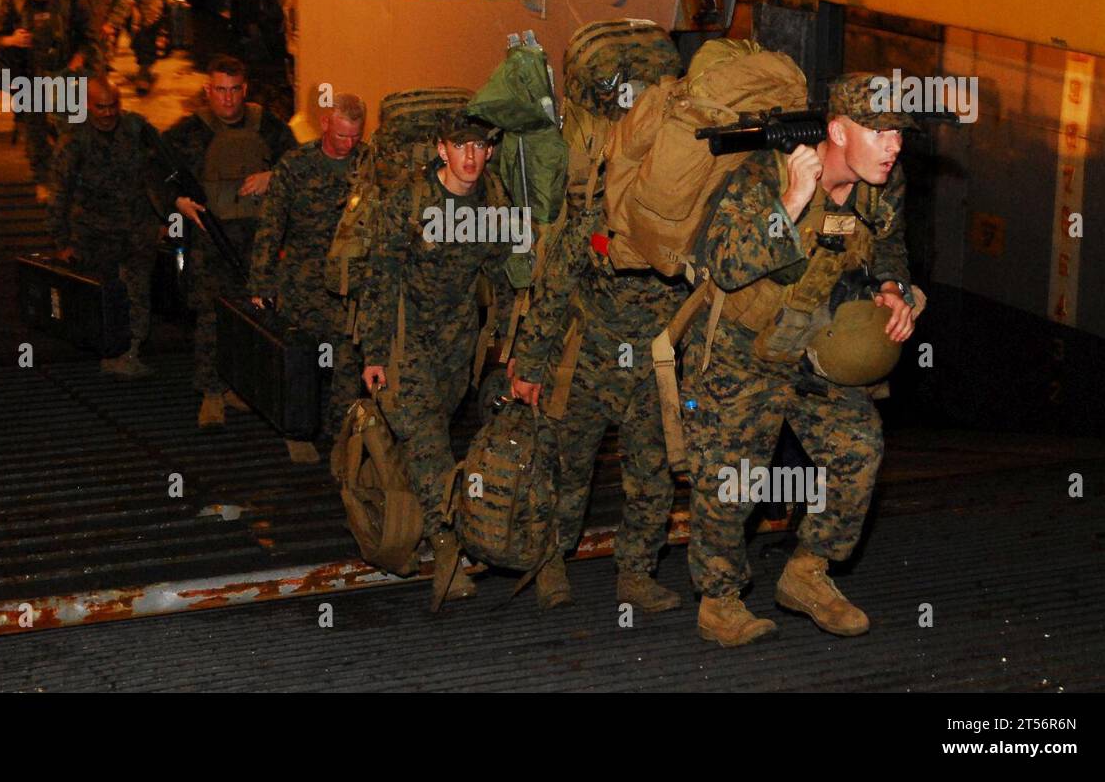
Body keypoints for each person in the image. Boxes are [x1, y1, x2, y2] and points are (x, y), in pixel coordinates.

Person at [683, 73, 923, 647]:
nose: (894, 145)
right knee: (732, 484)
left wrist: (894, 289)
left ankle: (806, 573)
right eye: (881, 130)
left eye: (898, 132)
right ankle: (719, 601)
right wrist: (792, 201)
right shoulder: (763, 176)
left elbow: (889, 247)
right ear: (838, 131)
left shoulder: (882, 185)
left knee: (859, 450)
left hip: (815, 349)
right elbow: (722, 264)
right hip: (743, 352)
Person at [508, 191, 687, 615]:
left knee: (651, 479)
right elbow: (553, 290)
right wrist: (530, 366)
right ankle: (549, 562)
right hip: (582, 366)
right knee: (565, 473)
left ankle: (636, 572)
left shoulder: (688, 219)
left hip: (651, 369)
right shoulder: (598, 216)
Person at [360, 113, 512, 612]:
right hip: (408, 339)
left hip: (457, 343)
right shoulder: (408, 199)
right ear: (441, 150)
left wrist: (507, 348)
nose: (470, 157)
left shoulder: (493, 200)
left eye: (479, 147)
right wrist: (375, 353)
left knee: (430, 444)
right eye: (459, 147)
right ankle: (449, 553)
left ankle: (400, 525)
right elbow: (381, 276)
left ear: (489, 152)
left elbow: (503, 277)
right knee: (428, 440)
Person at [160, 55, 296, 428]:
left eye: (234, 90)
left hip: (259, 241)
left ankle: (243, 386)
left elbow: (300, 166)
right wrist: (177, 203)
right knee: (210, 316)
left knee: (256, 316)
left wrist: (274, 176)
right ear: (208, 90)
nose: (227, 99)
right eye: (220, 90)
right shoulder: (190, 131)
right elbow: (153, 170)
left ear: (245, 89)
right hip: (211, 243)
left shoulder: (269, 127)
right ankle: (211, 392)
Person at [247, 93, 367, 446]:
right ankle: (298, 433)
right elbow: (271, 228)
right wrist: (261, 283)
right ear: (326, 124)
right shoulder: (295, 166)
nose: (348, 143)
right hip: (303, 288)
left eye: (355, 136)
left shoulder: (370, 165)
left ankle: (339, 441)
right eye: (341, 135)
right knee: (304, 365)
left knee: (346, 366)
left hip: (349, 289)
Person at [47, 78, 161, 377]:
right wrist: (61, 242)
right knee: (104, 297)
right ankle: (108, 351)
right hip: (95, 236)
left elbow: (161, 168)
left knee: (138, 293)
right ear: (87, 105)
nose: (108, 113)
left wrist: (162, 218)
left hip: (136, 231)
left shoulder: (135, 129)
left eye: (113, 106)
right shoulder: (75, 140)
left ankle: (130, 352)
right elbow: (59, 193)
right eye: (101, 107)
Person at [0, 0, 99, 202]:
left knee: (71, 133)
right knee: (35, 134)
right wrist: (11, 40)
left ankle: (73, 180)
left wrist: (78, 60)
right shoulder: (14, 5)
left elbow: (90, 38)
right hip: (30, 77)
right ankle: (43, 180)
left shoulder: (70, 2)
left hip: (64, 75)